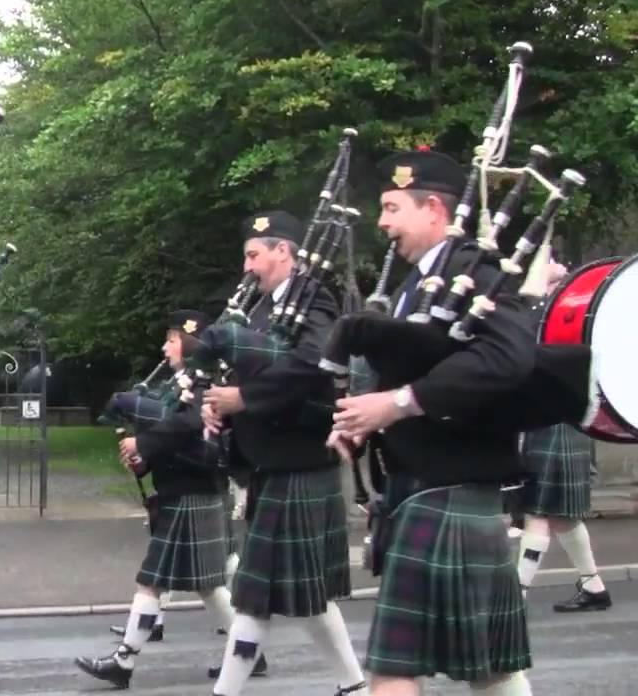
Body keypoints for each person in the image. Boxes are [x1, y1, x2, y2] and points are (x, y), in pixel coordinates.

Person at [328, 149, 534, 695]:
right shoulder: (416, 287)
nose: (382, 222)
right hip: (424, 491)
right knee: (489, 668)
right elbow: (417, 365)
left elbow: (507, 357)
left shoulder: (479, 271)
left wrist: (398, 403)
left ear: (435, 209)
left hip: (451, 491)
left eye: (392, 207)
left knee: (400, 672)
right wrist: (364, 419)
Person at [203, 212, 366, 696]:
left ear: (284, 252)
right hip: (271, 463)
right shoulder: (257, 310)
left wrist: (245, 399)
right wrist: (220, 406)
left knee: (254, 597)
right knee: (301, 598)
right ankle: (354, 687)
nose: (248, 266)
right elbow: (247, 369)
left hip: (299, 459)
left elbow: (311, 365)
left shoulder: (314, 298)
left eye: (255, 255)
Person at [75, 309, 240, 689]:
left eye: (171, 340)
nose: (165, 347)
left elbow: (186, 427)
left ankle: (123, 661)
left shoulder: (205, 382)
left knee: (156, 581)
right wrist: (144, 461)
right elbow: (172, 433)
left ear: (189, 342)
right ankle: (247, 647)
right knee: (206, 585)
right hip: (182, 489)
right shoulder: (182, 381)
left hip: (194, 492)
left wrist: (143, 443)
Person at [515, 261, 611, 612]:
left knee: (538, 512)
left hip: (553, 419)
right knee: (563, 516)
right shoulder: (568, 312)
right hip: (564, 418)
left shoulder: (551, 314)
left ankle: (516, 594)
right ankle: (594, 586)